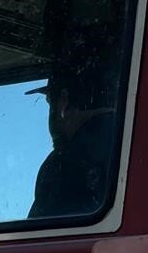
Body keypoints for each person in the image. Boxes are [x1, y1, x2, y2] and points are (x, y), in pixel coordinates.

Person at [28, 66, 121, 219]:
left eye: (50, 102)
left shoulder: (63, 163)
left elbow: (38, 238)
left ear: (63, 102)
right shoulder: (134, 143)